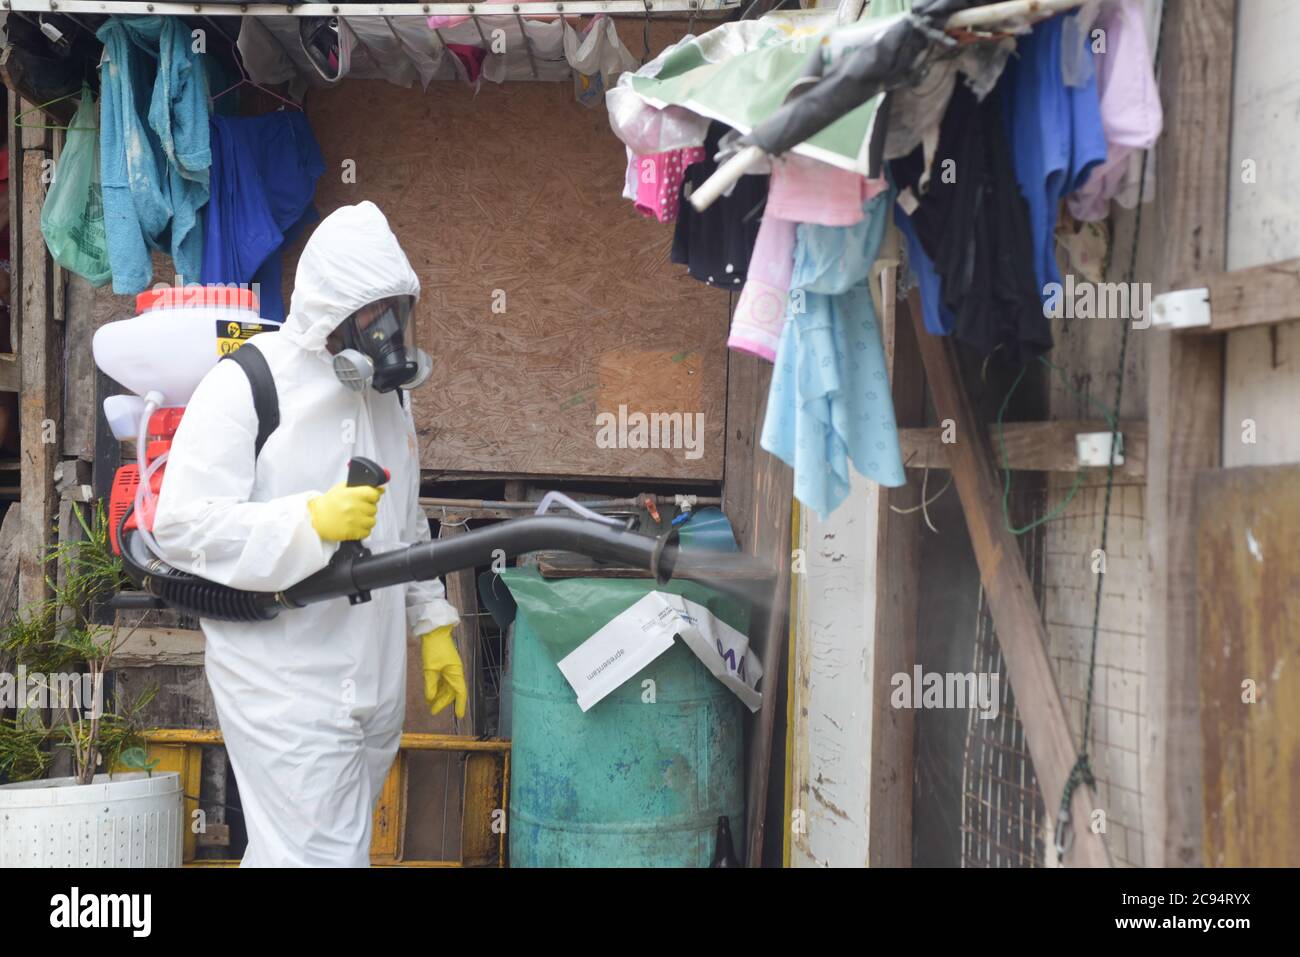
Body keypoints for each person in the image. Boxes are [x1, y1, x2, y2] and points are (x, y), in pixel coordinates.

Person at [153, 201, 467, 867]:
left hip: (374, 682)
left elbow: (404, 519)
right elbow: (181, 525)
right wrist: (309, 522)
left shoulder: (390, 396)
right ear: (332, 309)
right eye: (371, 313)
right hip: (283, 681)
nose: (389, 331)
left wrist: (432, 619)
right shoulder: (250, 382)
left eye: (397, 311)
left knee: (309, 855)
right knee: (315, 859)